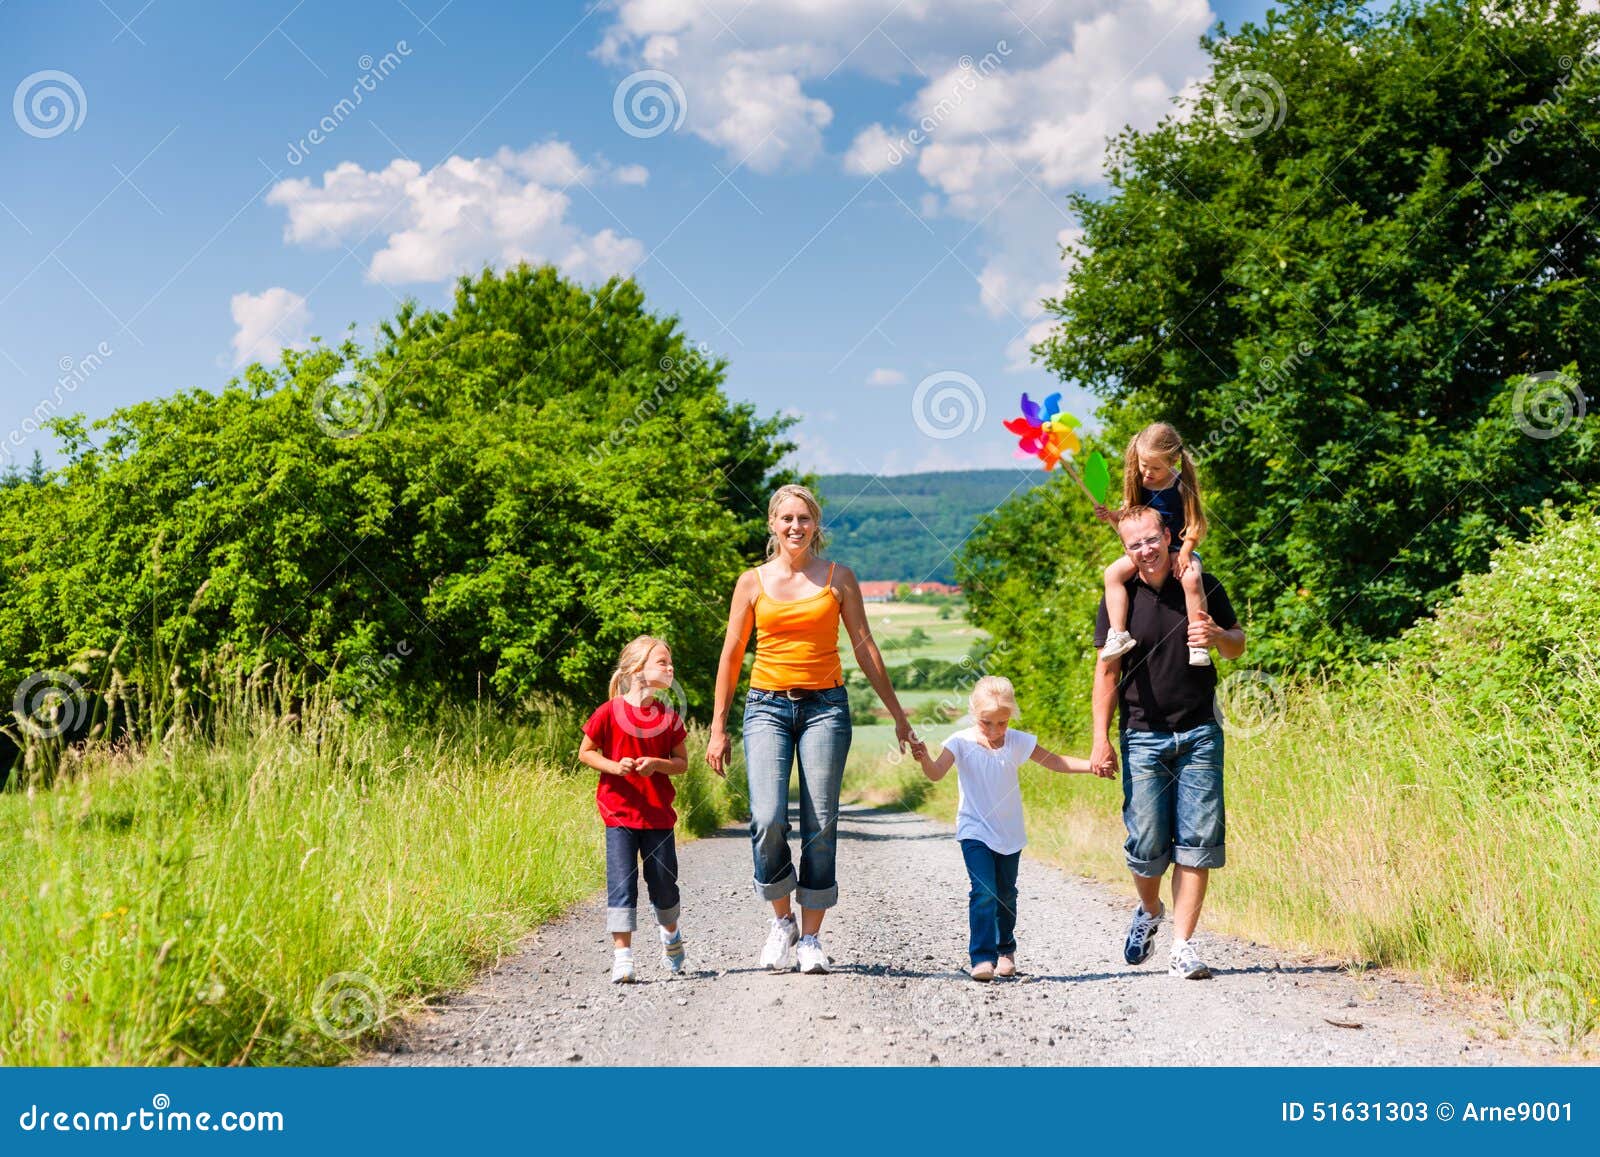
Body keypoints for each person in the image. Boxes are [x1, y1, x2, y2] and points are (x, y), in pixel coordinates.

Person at [705, 484, 915, 975]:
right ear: (772, 525)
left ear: (816, 525)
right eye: (787, 519)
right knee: (768, 816)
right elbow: (732, 655)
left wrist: (899, 717)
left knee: (821, 822)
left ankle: (812, 938)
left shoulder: (839, 578)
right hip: (765, 707)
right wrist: (718, 728)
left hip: (826, 708)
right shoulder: (751, 582)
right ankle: (783, 921)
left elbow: (865, 649)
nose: (795, 527)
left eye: (804, 518)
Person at [1091, 506, 1246, 979]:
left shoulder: (1200, 581)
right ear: (1125, 549)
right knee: (1146, 841)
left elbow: (1237, 643)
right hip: (1141, 734)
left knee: (1197, 842)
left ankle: (1183, 945)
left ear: (1168, 536)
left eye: (1151, 540)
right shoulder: (1120, 596)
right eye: (1133, 545)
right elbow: (1106, 672)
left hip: (1199, 730)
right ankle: (1150, 909)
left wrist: (1219, 635)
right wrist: (1101, 739)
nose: (1145, 551)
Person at [908, 676, 1110, 981]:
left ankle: (1006, 950)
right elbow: (936, 773)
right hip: (974, 829)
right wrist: (924, 758)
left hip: (1009, 833)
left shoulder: (1017, 740)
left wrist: (1093, 766)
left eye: (1002, 723)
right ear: (974, 714)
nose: (994, 730)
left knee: (1006, 894)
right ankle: (982, 958)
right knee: (984, 891)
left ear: (1010, 716)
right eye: (987, 722)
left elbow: (1054, 762)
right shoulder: (959, 742)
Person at [577, 635, 690, 984]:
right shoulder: (608, 712)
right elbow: (586, 752)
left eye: (670, 663)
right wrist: (614, 767)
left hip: (657, 816)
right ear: (637, 670)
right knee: (621, 883)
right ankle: (623, 956)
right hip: (619, 814)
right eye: (662, 662)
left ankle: (670, 934)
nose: (669, 668)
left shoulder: (668, 717)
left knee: (663, 884)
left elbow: (682, 763)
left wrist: (657, 763)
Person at [1094, 422, 1212, 667]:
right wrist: (1111, 514)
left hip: (1180, 549)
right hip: (1148, 549)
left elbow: (1196, 526)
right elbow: (1129, 515)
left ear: (1173, 461)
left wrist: (1185, 553)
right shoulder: (1139, 483)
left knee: (1191, 579)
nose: (1147, 472)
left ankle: (1198, 641)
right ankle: (1118, 634)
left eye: (1155, 468)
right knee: (1112, 573)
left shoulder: (1181, 485)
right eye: (1143, 464)